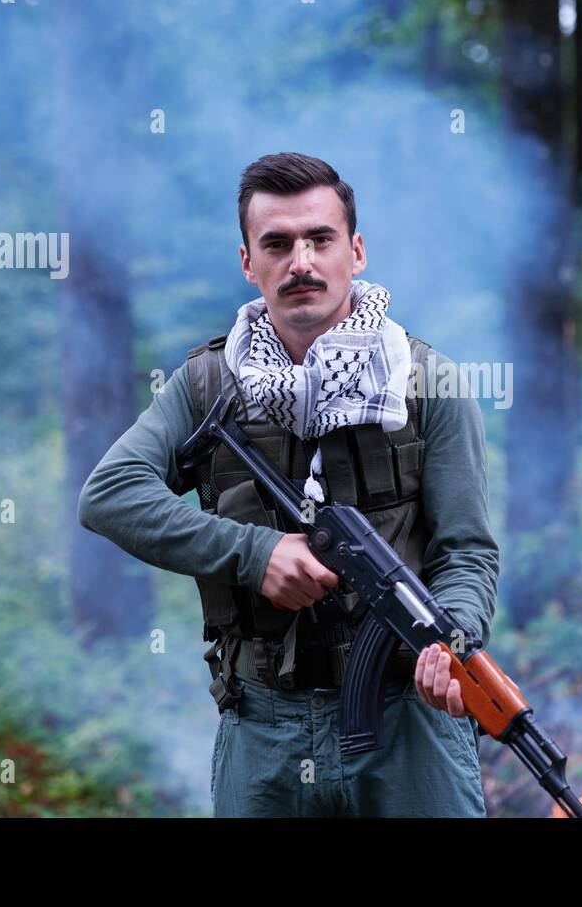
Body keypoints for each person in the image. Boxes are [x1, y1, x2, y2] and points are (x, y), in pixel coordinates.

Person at [77, 151, 500, 816]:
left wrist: (454, 641)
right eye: (276, 243)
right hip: (263, 730)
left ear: (355, 251)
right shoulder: (208, 385)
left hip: (407, 727)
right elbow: (109, 494)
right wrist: (254, 553)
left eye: (320, 239)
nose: (301, 261)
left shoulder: (427, 383)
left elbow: (467, 552)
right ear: (249, 263)